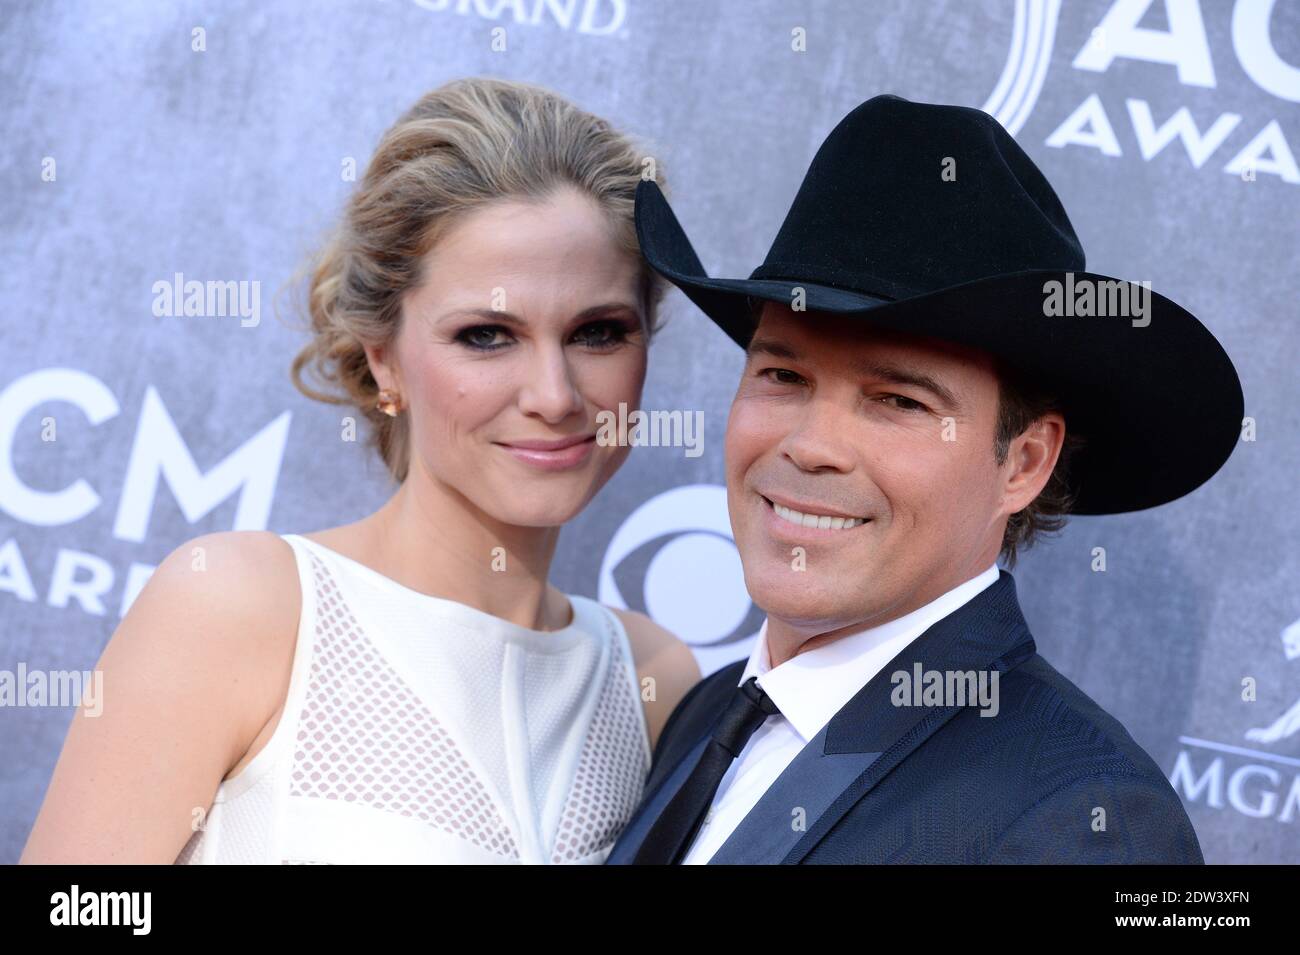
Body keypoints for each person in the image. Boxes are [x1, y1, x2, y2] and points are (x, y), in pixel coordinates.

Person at [21, 77, 699, 865]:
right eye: (486, 335)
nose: (554, 395)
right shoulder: (241, 608)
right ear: (385, 359)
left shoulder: (654, 680)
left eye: (599, 331)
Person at [607, 94, 1242, 864]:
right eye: (782, 373)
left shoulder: (1085, 818)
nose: (811, 446)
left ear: (1025, 462)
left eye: (898, 400)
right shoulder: (707, 717)